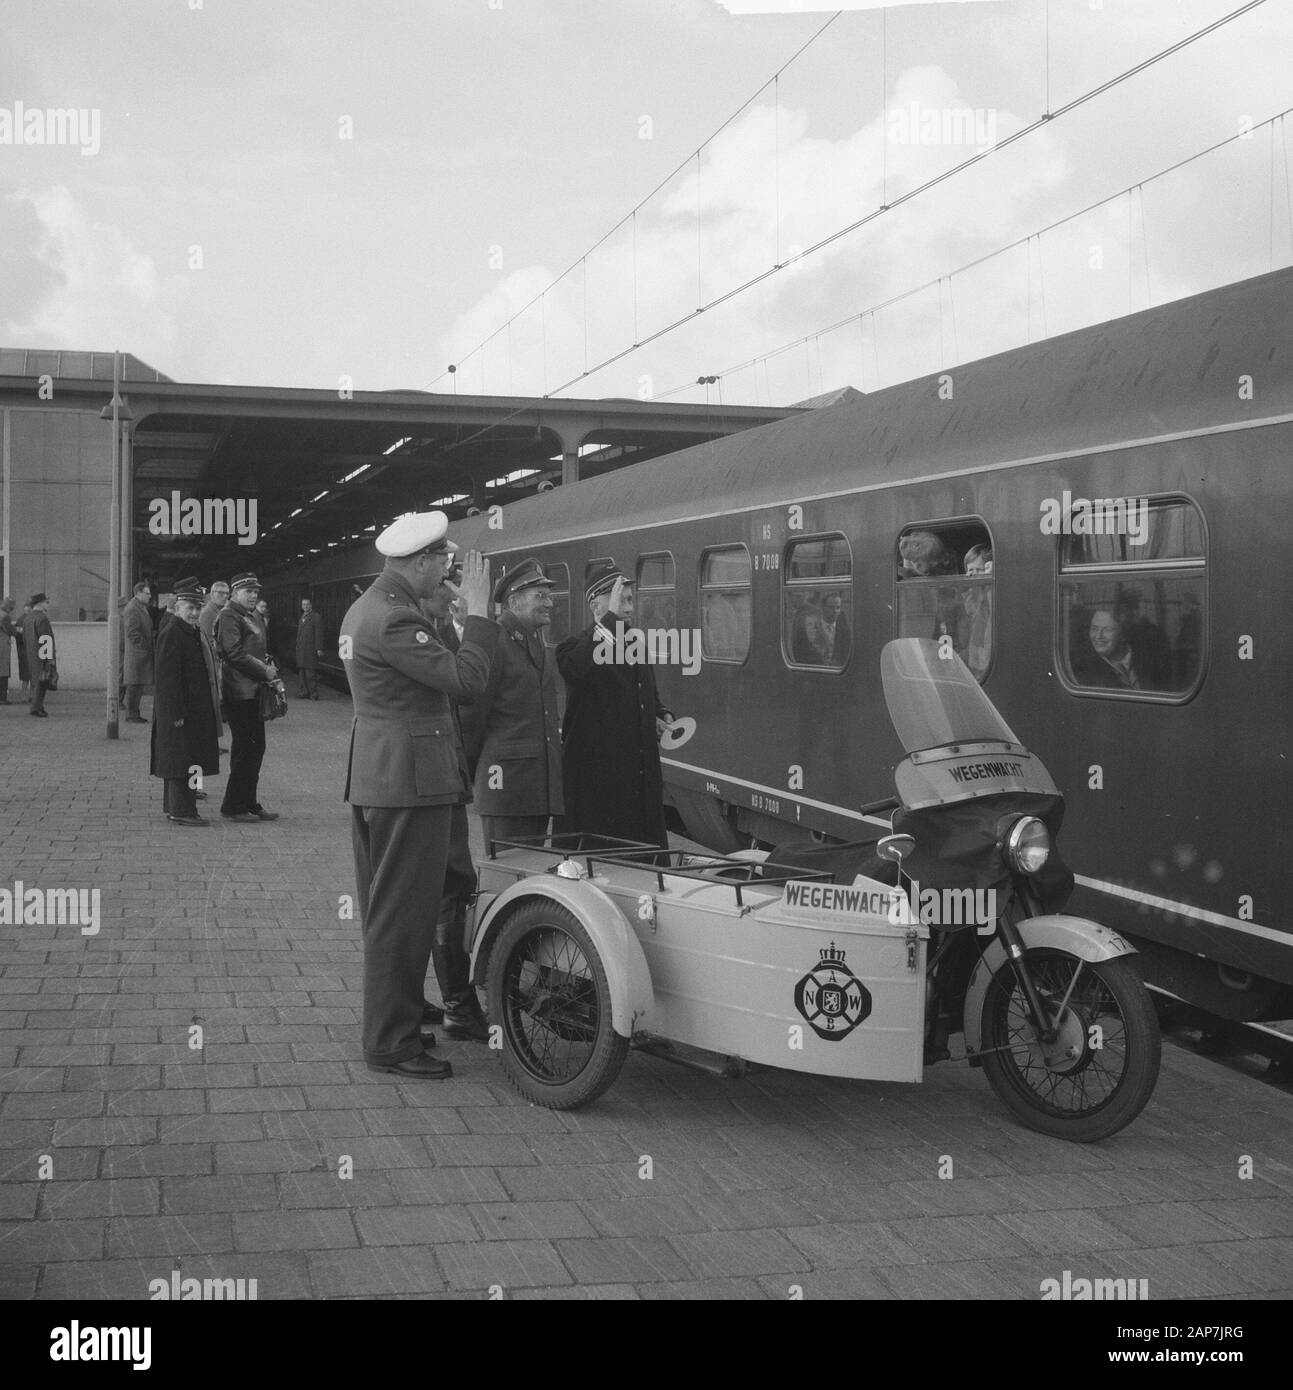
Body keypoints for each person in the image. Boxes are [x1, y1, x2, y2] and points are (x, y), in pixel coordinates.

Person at [341, 511, 494, 1079]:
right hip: (407, 781)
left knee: (398, 908)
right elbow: (467, 683)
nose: (448, 575)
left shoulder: (368, 609)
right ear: (421, 561)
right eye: (444, 565)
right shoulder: (397, 620)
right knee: (402, 914)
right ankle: (390, 1041)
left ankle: (401, 1010)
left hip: (384, 775)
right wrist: (476, 615)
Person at [557, 562, 675, 848]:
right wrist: (609, 620)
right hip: (601, 792)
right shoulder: (572, 647)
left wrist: (662, 716)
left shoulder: (635, 644)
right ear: (597, 604)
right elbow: (577, 669)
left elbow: (648, 697)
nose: (630, 607)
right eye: (621, 600)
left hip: (639, 784)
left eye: (631, 600)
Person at [459, 557, 563, 847]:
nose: (549, 603)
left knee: (527, 874)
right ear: (514, 602)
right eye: (540, 596)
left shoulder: (533, 641)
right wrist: (470, 772)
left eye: (549, 596)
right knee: (505, 874)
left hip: (533, 787)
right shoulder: (495, 640)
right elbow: (472, 714)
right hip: (505, 785)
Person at [151, 578, 221, 827]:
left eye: (197, 608)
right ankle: (183, 810)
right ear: (177, 607)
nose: (194, 613)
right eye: (189, 607)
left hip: (192, 710)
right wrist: (176, 713)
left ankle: (179, 806)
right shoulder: (173, 633)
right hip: (182, 711)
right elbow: (167, 679)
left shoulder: (187, 631)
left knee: (188, 759)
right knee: (182, 761)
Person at [216, 573, 280, 822]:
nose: (253, 595)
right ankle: (233, 806)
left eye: (256, 591)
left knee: (256, 748)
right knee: (244, 749)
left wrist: (269, 667)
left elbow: (258, 650)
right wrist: (264, 670)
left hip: (254, 691)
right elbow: (233, 653)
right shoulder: (228, 615)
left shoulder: (253, 616)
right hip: (238, 693)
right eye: (248, 591)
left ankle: (250, 802)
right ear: (234, 593)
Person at [1077, 607, 1164, 691]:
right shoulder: (1084, 669)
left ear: (1123, 634)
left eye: (1107, 630)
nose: (1098, 636)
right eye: (1094, 629)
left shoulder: (1148, 657)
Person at [200, 579, 231, 752]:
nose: (224, 597)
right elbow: (207, 641)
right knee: (211, 706)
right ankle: (209, 746)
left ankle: (211, 744)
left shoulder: (218, 611)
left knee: (214, 706)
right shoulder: (209, 613)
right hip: (211, 664)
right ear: (212, 594)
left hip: (215, 663)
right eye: (221, 593)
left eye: (227, 593)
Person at [123, 580, 155, 723]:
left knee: (138, 684)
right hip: (137, 653)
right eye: (147, 593)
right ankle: (131, 714)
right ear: (138, 594)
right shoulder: (133, 609)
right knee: (134, 684)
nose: (150, 596)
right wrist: (144, 646)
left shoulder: (140, 607)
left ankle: (134, 712)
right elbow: (132, 631)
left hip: (140, 653)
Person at [24, 593, 55, 718]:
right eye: (46, 602)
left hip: (31, 653)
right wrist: (49, 659)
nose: (48, 605)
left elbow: (25, 637)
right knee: (42, 681)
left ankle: (38, 706)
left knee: (36, 680)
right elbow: (45, 639)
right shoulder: (42, 618)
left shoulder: (28, 618)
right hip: (41, 654)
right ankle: (36, 707)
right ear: (40, 603)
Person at [295, 598, 324, 699]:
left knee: (310, 673)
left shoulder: (316, 617)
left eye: (307, 604)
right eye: (303, 605)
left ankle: (313, 694)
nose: (305, 606)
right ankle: (303, 692)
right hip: (302, 649)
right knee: (302, 672)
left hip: (310, 649)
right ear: (302, 606)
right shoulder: (302, 617)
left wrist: (319, 648)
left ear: (311, 605)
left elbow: (319, 633)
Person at [818, 591, 851, 666]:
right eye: (831, 607)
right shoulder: (812, 626)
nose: (835, 611)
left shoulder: (844, 630)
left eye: (838, 608)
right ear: (823, 608)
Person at [0, 597, 18, 704]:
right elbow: (10, 630)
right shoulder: (5, 616)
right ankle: (2, 698)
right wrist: (17, 631)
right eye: (12, 607)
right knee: (3, 672)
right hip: (2, 646)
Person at [15, 601, 32, 693]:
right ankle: (30, 695)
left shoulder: (20, 619)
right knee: (31, 674)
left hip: (23, 650)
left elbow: (17, 635)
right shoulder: (30, 619)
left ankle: (24, 693)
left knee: (25, 674)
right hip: (28, 650)